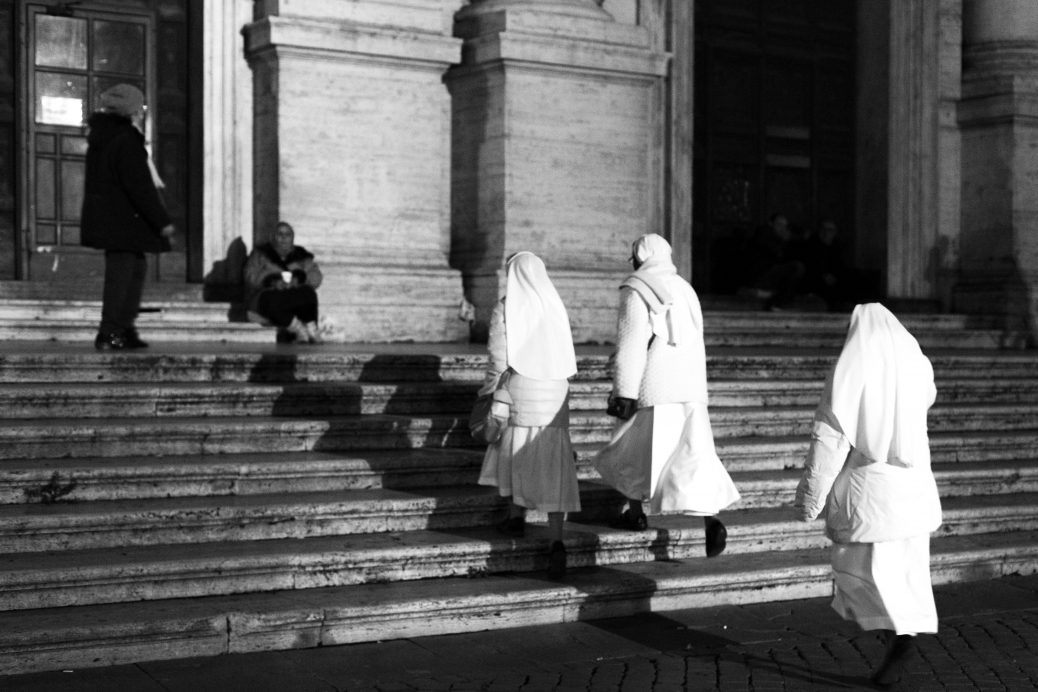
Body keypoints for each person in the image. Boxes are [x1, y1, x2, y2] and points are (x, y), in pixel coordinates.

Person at [794, 303, 942, 688]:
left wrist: (811, 499)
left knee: (859, 573)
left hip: (871, 492)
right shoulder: (915, 363)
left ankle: (897, 636)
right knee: (902, 576)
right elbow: (926, 399)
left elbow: (831, 435)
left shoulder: (852, 366)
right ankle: (901, 634)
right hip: (911, 492)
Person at [592, 233, 740, 557]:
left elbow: (631, 344)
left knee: (629, 450)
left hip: (653, 386)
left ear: (640, 257)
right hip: (688, 389)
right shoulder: (686, 288)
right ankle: (710, 519)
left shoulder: (638, 288)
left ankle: (636, 513)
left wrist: (624, 392)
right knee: (691, 458)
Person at [477, 251, 580, 579]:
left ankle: (514, 515)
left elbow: (497, 357)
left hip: (522, 387)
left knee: (514, 452)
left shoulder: (505, 307)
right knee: (555, 463)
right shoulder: (555, 305)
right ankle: (557, 541)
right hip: (556, 392)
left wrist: (489, 391)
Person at [81, 84, 175, 350]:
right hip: (125, 220)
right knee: (122, 276)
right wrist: (161, 220)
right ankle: (110, 331)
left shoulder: (104, 136)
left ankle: (123, 328)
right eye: (140, 107)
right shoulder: (125, 138)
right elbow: (139, 184)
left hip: (117, 219)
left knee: (133, 271)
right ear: (133, 109)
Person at [243, 221, 323, 343]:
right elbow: (250, 275)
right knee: (272, 300)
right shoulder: (261, 254)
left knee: (309, 294)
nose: (284, 238)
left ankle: (311, 329)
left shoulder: (301, 255)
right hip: (269, 294)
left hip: (293, 293)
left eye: (288, 234)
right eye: (280, 234)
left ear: (292, 238)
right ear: (273, 237)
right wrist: (271, 280)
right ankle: (298, 328)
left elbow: (316, 276)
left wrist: (300, 278)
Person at [742, 213, 805, 310]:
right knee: (796, 267)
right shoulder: (763, 233)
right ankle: (775, 302)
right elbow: (773, 253)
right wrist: (784, 241)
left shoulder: (782, 239)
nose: (782, 228)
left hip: (771, 278)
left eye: (784, 226)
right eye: (779, 225)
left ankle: (772, 298)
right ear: (770, 224)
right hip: (760, 277)